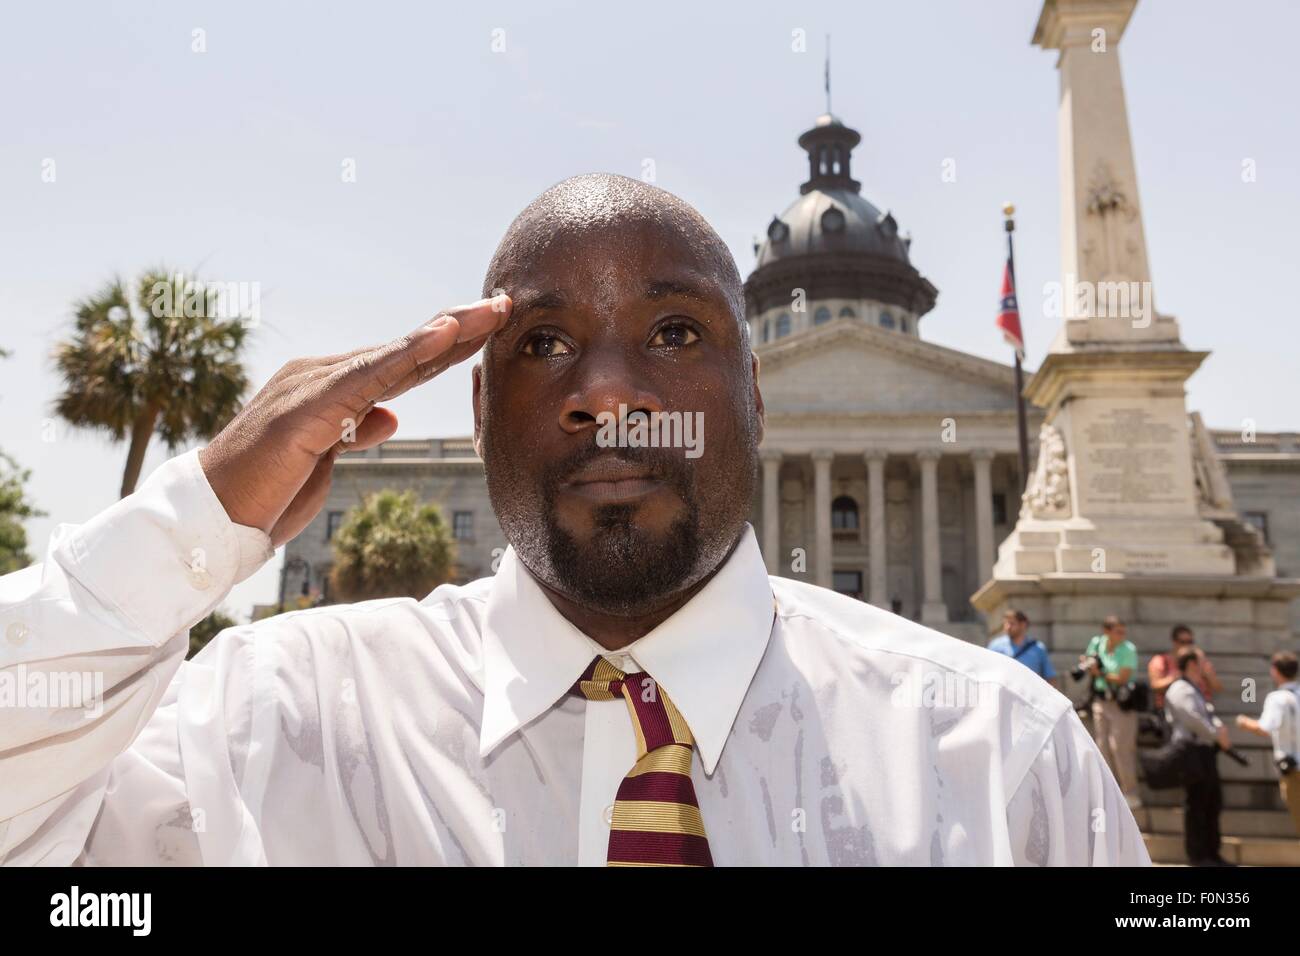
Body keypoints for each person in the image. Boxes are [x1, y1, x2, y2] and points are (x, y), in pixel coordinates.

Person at [0, 175, 1147, 866]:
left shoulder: (1002, 759)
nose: (612, 391)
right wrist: (195, 518)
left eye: (678, 333)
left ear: (759, 390)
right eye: (543, 342)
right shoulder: (267, 723)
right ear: (481, 401)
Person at [1165, 647, 1231, 866]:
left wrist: (1219, 730)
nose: (1207, 664)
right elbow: (1192, 719)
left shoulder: (1195, 688)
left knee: (1212, 803)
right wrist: (1216, 734)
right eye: (1203, 660)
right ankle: (1199, 856)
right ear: (1193, 664)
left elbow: (1206, 714)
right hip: (1193, 752)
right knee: (1197, 804)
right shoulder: (1180, 688)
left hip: (1205, 752)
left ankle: (1213, 854)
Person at [1236, 651, 1300, 837]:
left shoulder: (1277, 698)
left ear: (1275, 671)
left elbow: (1265, 728)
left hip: (1293, 770)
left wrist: (1244, 722)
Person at [1081, 615, 1141, 807]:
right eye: (1118, 631)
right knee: (1102, 747)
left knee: (1120, 747)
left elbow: (1123, 677)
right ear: (1106, 631)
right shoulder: (1097, 643)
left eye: (1124, 631)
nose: (1123, 635)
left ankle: (1130, 793)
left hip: (1120, 703)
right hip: (1100, 700)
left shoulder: (1128, 649)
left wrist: (1100, 672)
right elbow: (1088, 660)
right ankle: (1108, 792)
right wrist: (1088, 664)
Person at [1149, 624, 1222, 710]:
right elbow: (1154, 686)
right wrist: (1177, 677)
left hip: (1200, 710)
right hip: (1171, 711)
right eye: (1182, 642)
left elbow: (1218, 688)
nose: (1187, 645)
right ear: (1174, 642)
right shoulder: (1161, 661)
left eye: (1190, 642)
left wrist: (1205, 672)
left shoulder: (1201, 661)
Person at [987, 609, 1056, 686]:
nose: (1007, 627)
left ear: (1023, 625)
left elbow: (1050, 677)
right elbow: (987, 673)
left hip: (1030, 695)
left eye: (1011, 623)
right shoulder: (995, 646)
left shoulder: (1038, 648)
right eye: (1005, 624)